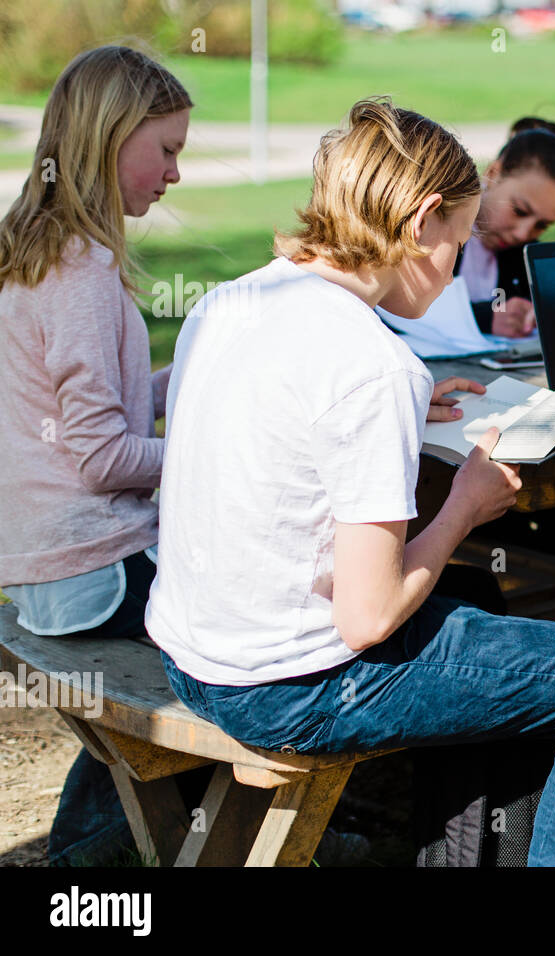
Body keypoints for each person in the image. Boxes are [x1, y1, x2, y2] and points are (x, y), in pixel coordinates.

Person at [144, 98, 555, 866]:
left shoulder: (229, 301)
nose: (452, 268)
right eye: (460, 239)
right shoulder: (372, 365)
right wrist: (465, 506)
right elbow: (367, 621)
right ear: (422, 218)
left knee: (476, 605)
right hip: (284, 687)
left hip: (191, 655)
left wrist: (394, 415)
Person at [0, 45, 190, 866]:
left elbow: (88, 410)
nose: (175, 175)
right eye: (167, 150)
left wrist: (188, 378)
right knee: (240, 640)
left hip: (51, 569)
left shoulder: (41, 254)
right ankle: (109, 858)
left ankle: (83, 845)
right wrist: (209, 450)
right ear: (110, 141)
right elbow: (101, 457)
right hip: (90, 571)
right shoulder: (80, 271)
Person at [459, 117, 555, 338]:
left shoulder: (526, 259)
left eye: (542, 225)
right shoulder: (437, 227)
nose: (523, 234)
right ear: (493, 174)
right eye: (520, 211)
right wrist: (484, 317)